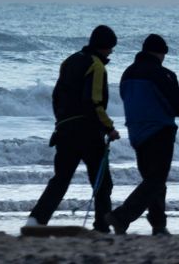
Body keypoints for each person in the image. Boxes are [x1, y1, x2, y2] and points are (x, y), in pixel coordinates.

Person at [27, 25, 121, 232]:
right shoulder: (96, 66)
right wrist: (109, 128)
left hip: (64, 130)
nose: (111, 52)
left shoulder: (69, 61)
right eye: (111, 48)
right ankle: (102, 227)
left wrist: (60, 122)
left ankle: (35, 221)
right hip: (87, 132)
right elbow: (94, 102)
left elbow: (57, 96)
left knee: (61, 180)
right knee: (102, 183)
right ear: (104, 46)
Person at [105, 34, 179, 235]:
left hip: (135, 132)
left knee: (152, 181)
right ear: (161, 53)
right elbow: (177, 108)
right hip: (159, 130)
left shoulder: (128, 73)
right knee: (156, 181)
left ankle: (159, 226)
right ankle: (122, 216)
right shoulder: (163, 74)